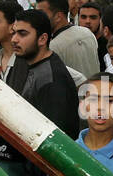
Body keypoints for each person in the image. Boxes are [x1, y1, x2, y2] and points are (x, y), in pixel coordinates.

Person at [10, 8, 81, 143]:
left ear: (42, 39)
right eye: (13, 33)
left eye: (22, 34)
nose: (14, 39)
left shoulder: (52, 79)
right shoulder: (35, 64)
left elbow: (56, 138)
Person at [36, 0, 100, 80]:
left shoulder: (52, 47)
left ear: (58, 16)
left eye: (41, 14)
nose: (38, 18)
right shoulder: (87, 33)